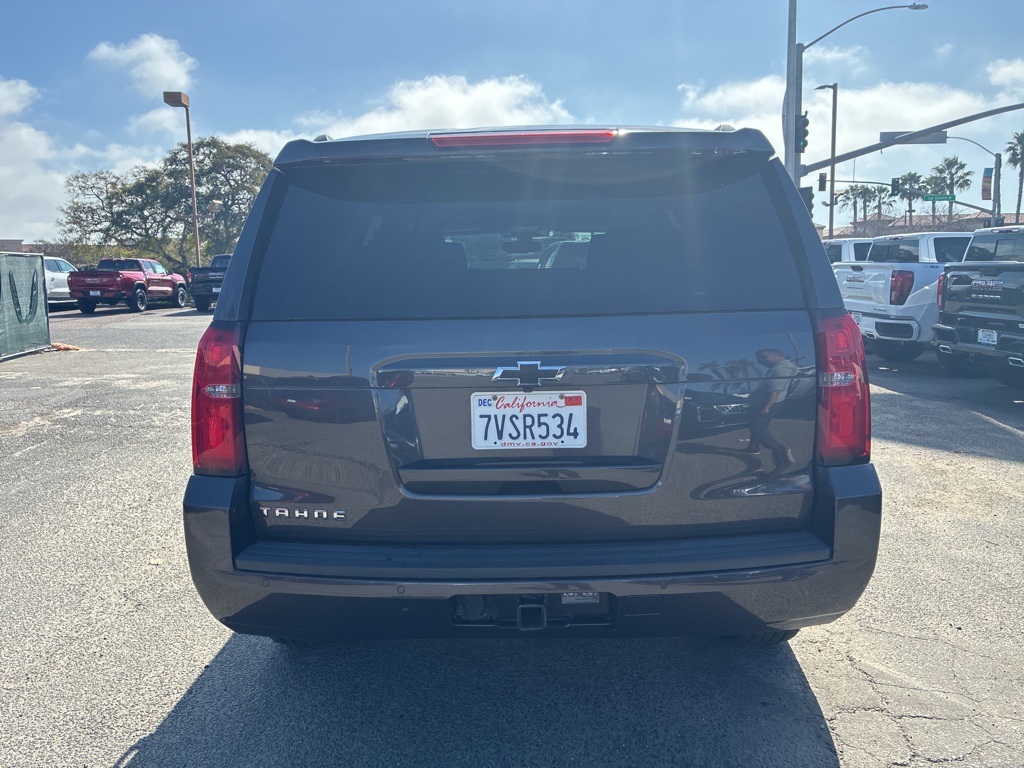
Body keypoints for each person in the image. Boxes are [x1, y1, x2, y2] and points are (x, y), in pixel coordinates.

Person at [744, 348, 798, 473]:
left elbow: (776, 390)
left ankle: (781, 452)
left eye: (764, 357)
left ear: (779, 355)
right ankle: (753, 447)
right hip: (765, 402)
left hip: (769, 403)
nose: (761, 361)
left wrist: (767, 407)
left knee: (757, 427)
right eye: (758, 359)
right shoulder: (778, 367)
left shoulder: (782, 369)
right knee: (759, 425)